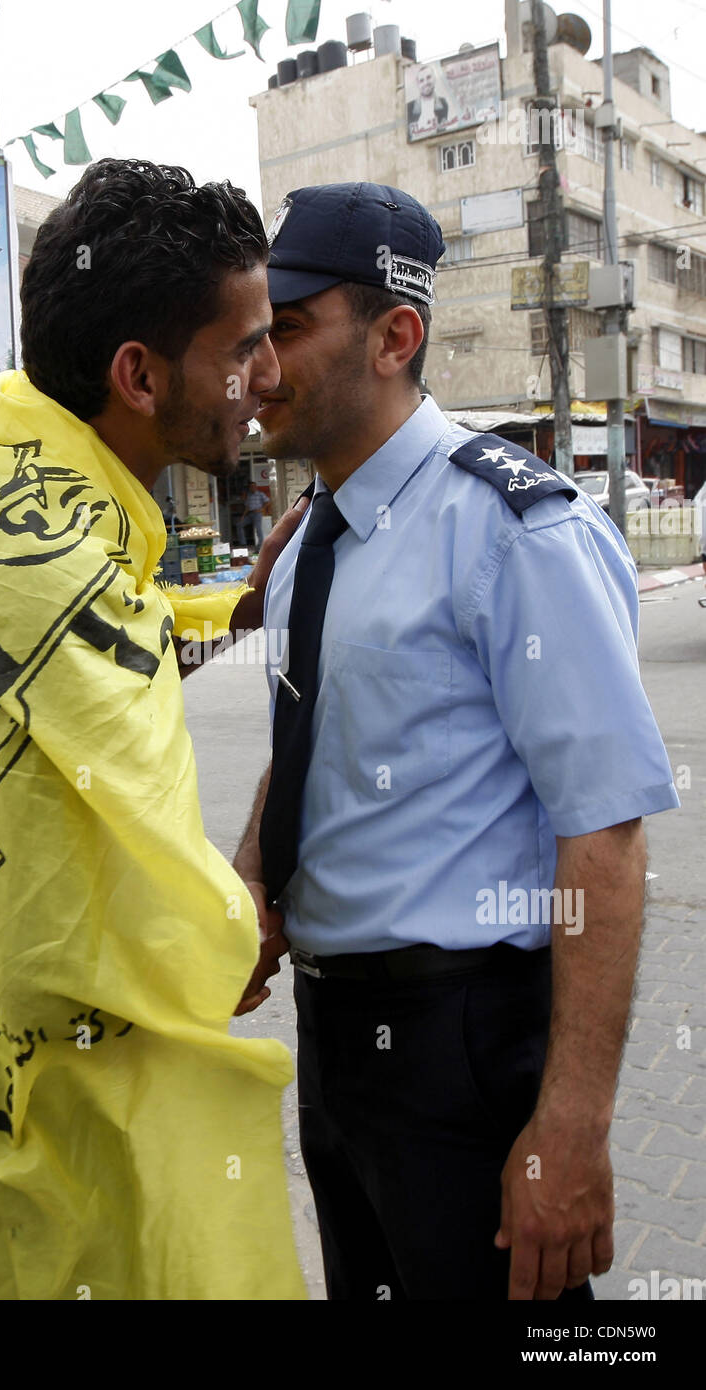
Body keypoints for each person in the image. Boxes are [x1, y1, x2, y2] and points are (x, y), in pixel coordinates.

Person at [0, 158, 308, 1301]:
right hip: (31, 1089)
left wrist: (237, 604)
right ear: (138, 375)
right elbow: (188, 904)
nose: (270, 373)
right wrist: (245, 914)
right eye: (244, 344)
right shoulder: (58, 569)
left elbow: (98, 631)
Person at [233, 181, 680, 1301]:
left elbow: (606, 831)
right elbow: (307, 735)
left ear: (397, 336)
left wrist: (571, 1128)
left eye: (287, 329)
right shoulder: (306, 543)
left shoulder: (516, 531)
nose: (258, 369)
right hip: (336, 1044)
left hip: (468, 1045)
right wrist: (255, 879)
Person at [406, 65, 449, 134]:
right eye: (421, 80)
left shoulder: (443, 103)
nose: (426, 83)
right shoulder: (409, 107)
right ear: (418, 84)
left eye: (428, 77)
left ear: (434, 78)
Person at [243, 480, 267, 550]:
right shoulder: (249, 495)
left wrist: (262, 509)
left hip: (257, 514)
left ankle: (260, 546)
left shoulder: (260, 494)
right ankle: (243, 543)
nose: (252, 488)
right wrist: (243, 516)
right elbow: (247, 507)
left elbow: (268, 501)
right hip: (250, 514)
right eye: (251, 487)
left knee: (258, 529)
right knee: (239, 525)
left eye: (254, 486)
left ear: (256, 487)